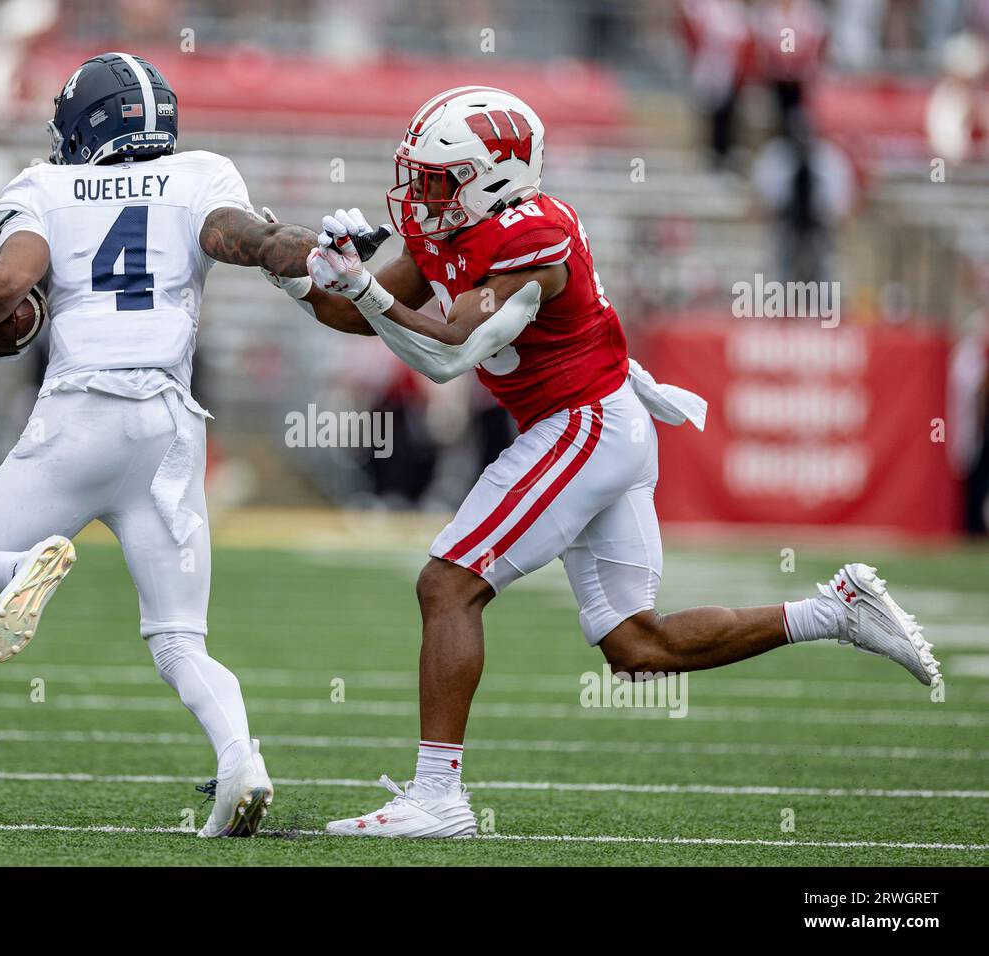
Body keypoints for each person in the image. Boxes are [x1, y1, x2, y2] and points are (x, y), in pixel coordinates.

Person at [266, 86, 941, 838]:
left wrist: (359, 287)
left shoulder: (531, 241)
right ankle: (833, 611)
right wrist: (311, 274)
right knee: (637, 646)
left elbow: (447, 351)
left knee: (448, 583)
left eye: (436, 177)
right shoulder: (456, 226)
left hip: (581, 423)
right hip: (590, 421)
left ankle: (438, 797)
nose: (420, 193)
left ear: (493, 177)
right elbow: (360, 316)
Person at [0, 53, 323, 838]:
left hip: (82, 417)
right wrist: (314, 250)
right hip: (169, 430)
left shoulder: (45, 185)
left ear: (82, 124)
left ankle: (22, 565)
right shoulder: (199, 173)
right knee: (179, 638)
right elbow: (253, 242)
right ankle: (241, 759)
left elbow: (4, 288)